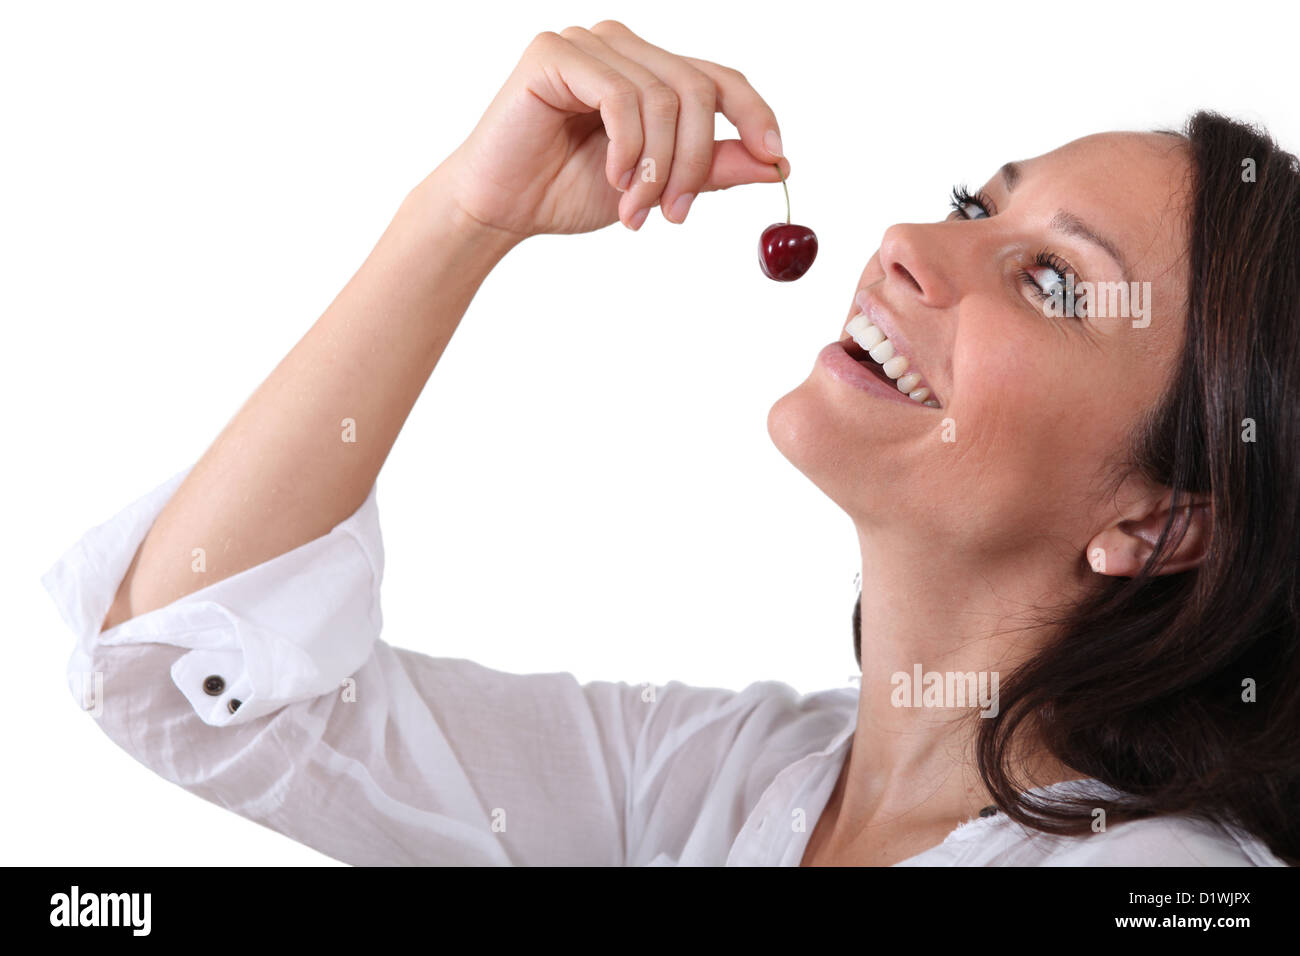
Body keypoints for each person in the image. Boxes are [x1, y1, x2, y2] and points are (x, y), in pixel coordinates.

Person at [42, 20, 1298, 866]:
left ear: (1161, 519)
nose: (911, 242)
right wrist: (464, 216)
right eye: (974, 203)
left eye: (1052, 282)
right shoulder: (718, 781)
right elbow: (188, 675)